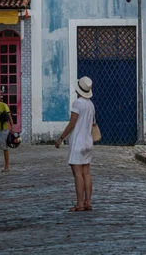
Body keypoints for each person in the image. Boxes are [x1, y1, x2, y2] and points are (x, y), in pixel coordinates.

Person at [55, 76, 95, 212]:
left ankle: (79, 203)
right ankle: (88, 201)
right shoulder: (91, 104)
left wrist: (61, 138)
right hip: (88, 141)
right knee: (86, 173)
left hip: (78, 142)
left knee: (77, 173)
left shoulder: (77, 103)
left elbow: (72, 123)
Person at [0, 92, 14, 172]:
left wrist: (12, 127)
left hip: (3, 129)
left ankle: (7, 166)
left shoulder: (3, 105)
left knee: (4, 148)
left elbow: (9, 116)